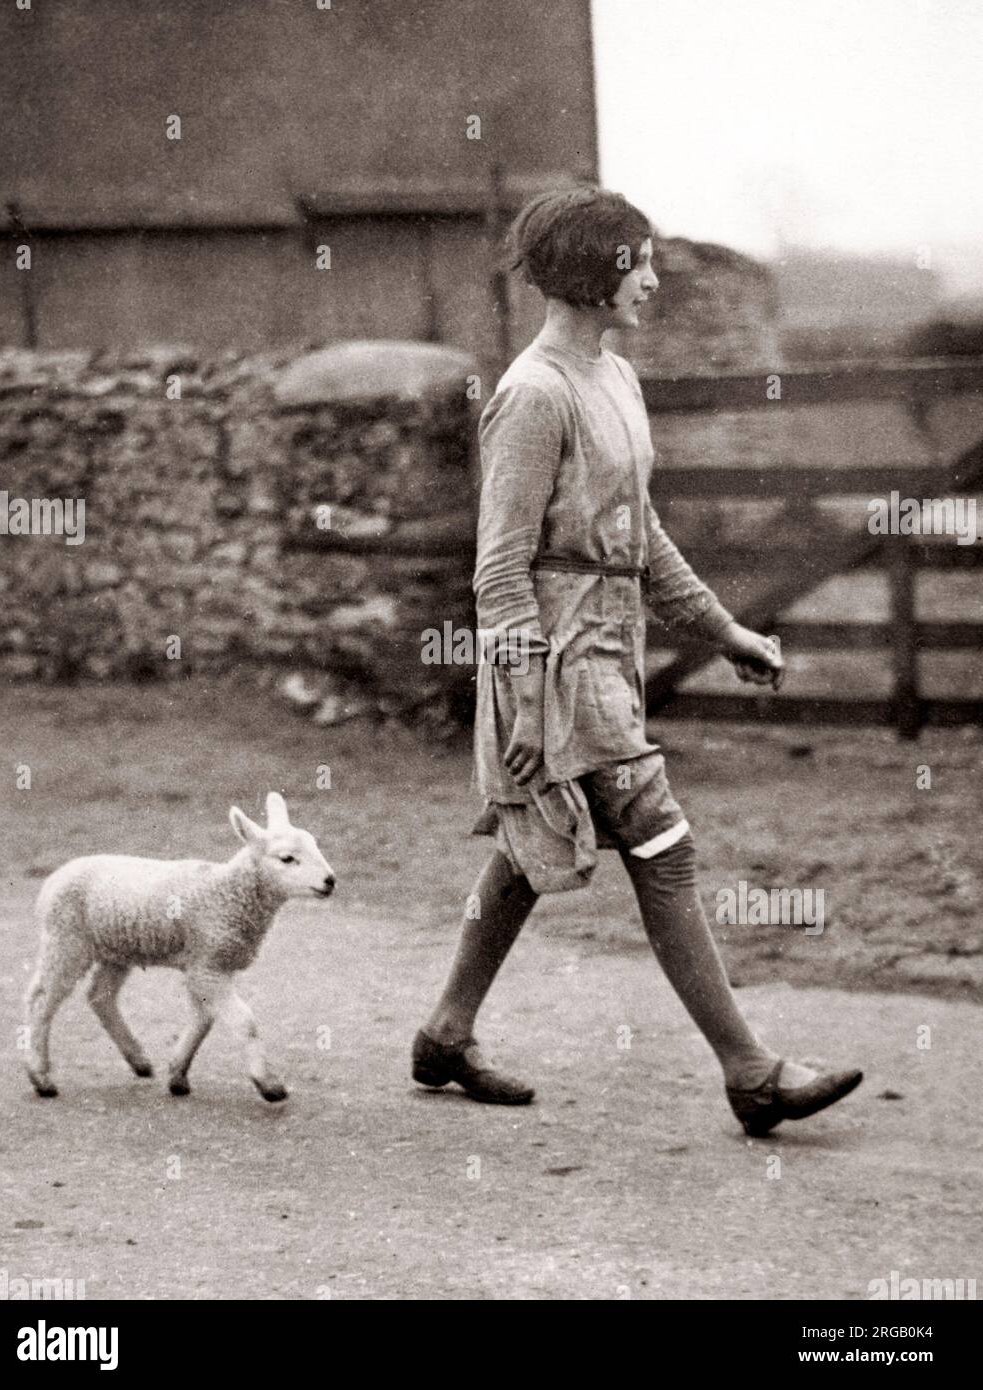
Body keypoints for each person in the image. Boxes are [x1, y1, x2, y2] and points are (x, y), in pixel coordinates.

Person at [412, 187, 861, 1137]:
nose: (652, 279)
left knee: (531, 849)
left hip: (611, 651)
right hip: (555, 660)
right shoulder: (531, 396)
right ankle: (752, 1073)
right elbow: (498, 572)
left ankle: (446, 1035)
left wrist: (724, 631)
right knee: (664, 846)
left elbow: (641, 538)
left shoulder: (614, 377)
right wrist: (526, 705)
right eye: (637, 262)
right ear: (591, 271)